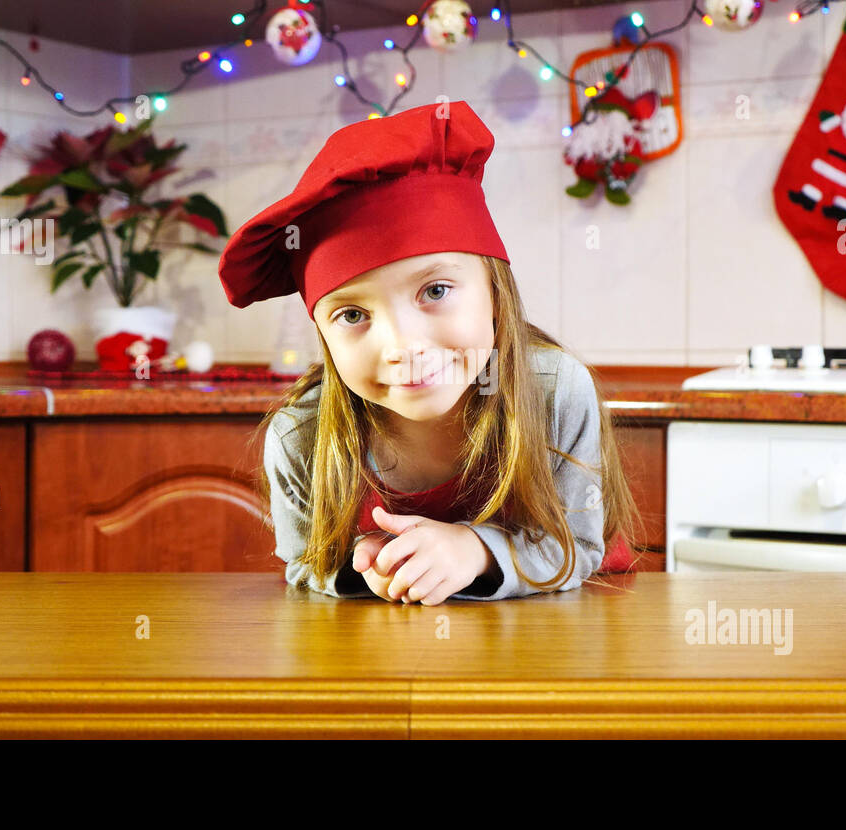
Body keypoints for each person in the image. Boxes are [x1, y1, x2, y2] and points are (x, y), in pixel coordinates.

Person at [219, 99, 645, 604]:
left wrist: (474, 551)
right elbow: (303, 562)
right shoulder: (301, 433)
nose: (404, 346)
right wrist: (365, 566)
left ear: (494, 291)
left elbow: (575, 547)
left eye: (436, 291)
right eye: (352, 315)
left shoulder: (553, 389)